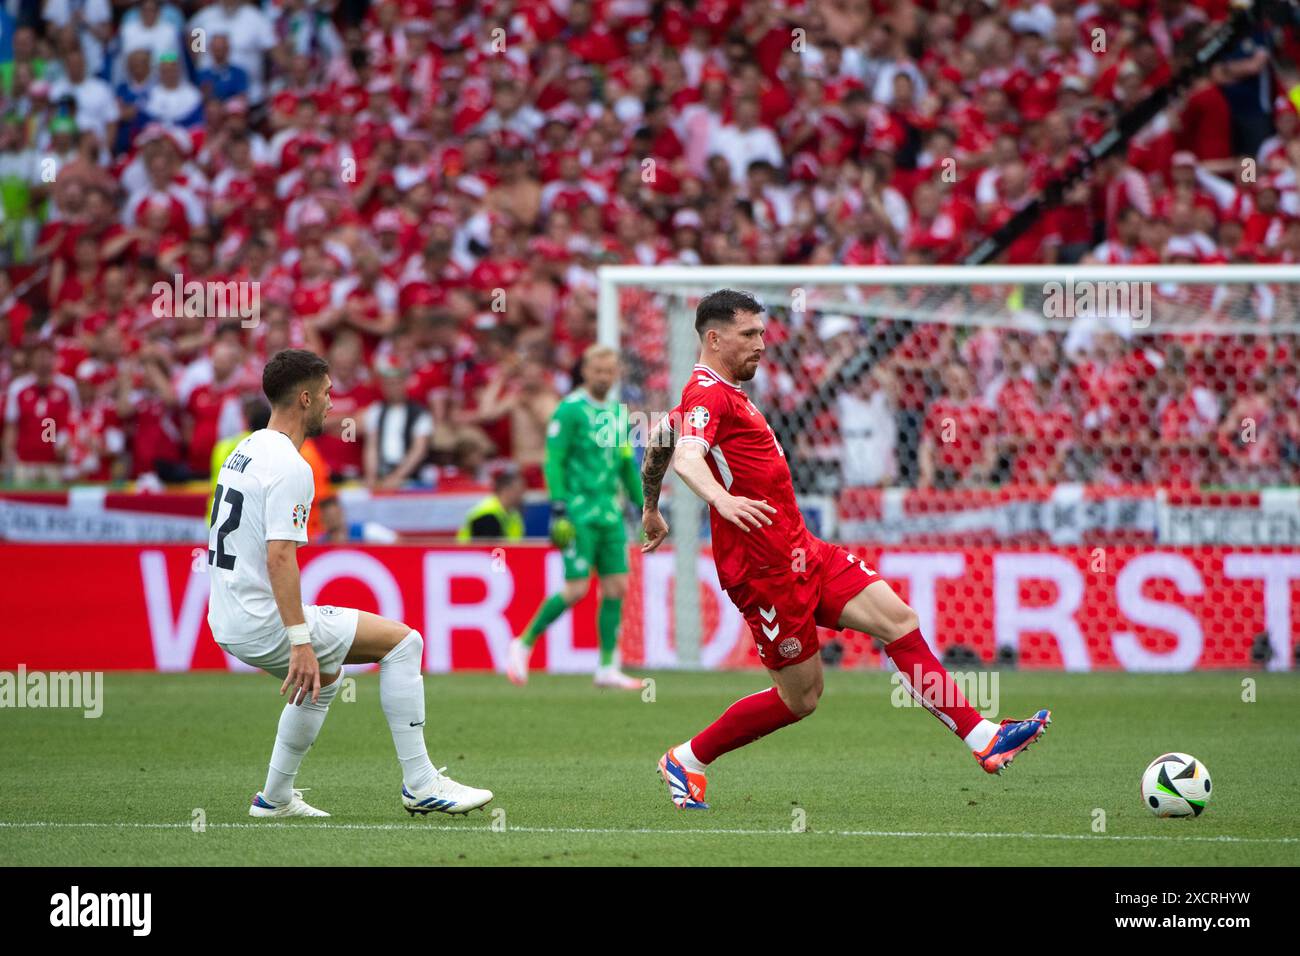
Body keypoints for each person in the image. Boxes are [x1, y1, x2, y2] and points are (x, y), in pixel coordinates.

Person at [640, 290, 1052, 810]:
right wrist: (720, 499)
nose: (763, 345)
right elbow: (686, 458)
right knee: (802, 698)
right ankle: (688, 759)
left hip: (802, 550)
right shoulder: (709, 395)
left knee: (899, 620)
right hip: (763, 572)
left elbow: (660, 438)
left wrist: (650, 506)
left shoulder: (719, 392)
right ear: (714, 338)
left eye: (764, 333)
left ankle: (983, 739)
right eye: (750, 335)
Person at [206, 348, 492, 818]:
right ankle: (421, 782)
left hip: (227, 613)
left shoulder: (245, 449)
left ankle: (275, 798)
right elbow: (280, 558)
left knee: (326, 676)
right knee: (404, 643)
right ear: (303, 398)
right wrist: (299, 640)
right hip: (260, 619)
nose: (331, 405)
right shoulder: (291, 465)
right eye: (326, 394)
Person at [505, 344, 643, 690]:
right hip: (577, 512)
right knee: (577, 588)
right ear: (585, 371)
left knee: (617, 586)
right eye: (598, 370)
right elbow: (554, 461)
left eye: (610, 371)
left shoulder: (617, 413)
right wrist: (559, 507)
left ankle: (607, 667)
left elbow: (625, 465)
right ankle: (523, 643)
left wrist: (646, 505)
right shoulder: (569, 410)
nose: (604, 377)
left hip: (610, 514)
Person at [457, 469, 526, 541]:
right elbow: (487, 549)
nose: (522, 495)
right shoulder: (486, 515)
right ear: (506, 490)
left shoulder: (514, 515)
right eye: (519, 491)